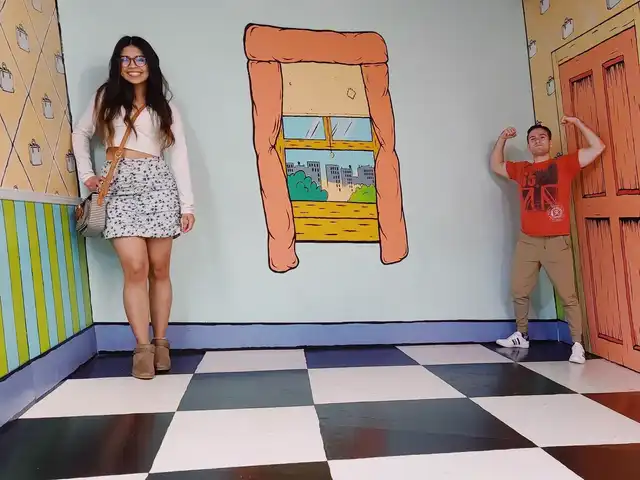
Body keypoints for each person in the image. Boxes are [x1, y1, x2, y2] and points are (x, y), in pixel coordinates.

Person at [72, 36, 195, 379]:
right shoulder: (105, 97)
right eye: (125, 60)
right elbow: (80, 133)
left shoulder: (165, 106)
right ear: (117, 65)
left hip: (159, 186)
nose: (132, 66)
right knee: (136, 268)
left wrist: (187, 204)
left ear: (150, 64)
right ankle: (142, 348)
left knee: (160, 269)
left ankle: (161, 343)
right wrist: (87, 174)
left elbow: (179, 154)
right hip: (118, 187)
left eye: (139, 59)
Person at [490, 117, 605, 364]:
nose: (537, 141)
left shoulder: (564, 164)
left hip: (556, 241)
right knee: (519, 290)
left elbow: (598, 147)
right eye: (532, 138)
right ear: (528, 145)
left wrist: (576, 123)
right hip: (527, 241)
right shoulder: (522, 169)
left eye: (542, 137)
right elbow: (496, 165)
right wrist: (502, 139)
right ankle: (522, 335)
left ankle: (577, 344)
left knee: (568, 295)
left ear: (550, 142)